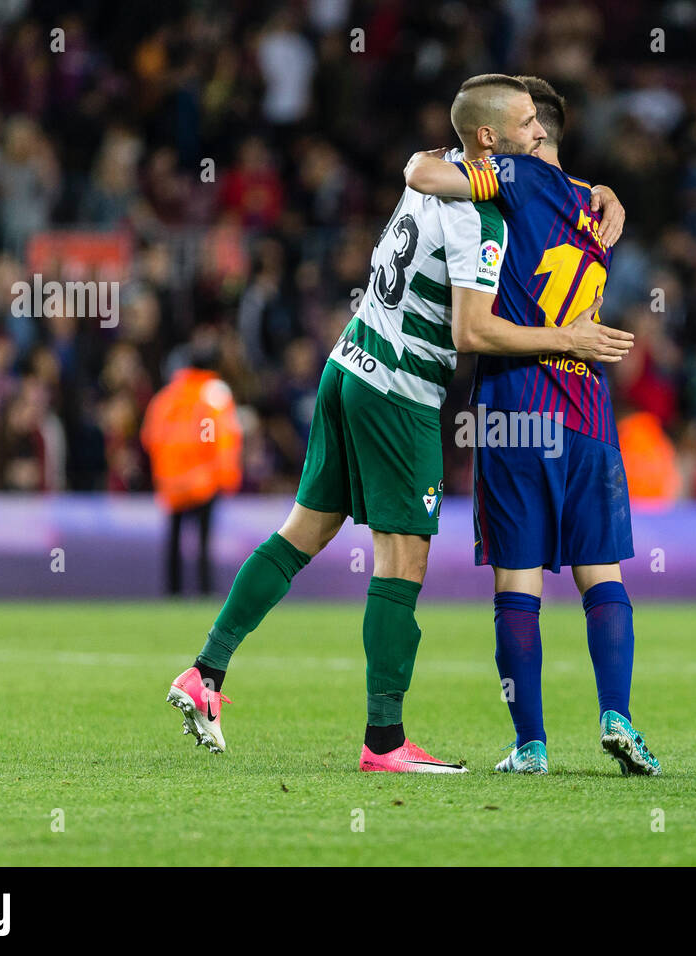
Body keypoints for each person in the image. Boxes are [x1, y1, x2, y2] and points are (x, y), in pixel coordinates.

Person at [166, 74, 633, 772]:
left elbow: (423, 167)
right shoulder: (484, 218)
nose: (540, 131)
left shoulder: (434, 173)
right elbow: (473, 331)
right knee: (403, 558)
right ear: (489, 138)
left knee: (305, 529)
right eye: (528, 122)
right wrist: (572, 338)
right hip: (400, 389)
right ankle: (384, 741)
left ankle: (205, 671)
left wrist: (602, 191)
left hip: (348, 361)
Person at [404, 76, 661, 775]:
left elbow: (425, 174)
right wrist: (607, 189)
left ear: (524, 133)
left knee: (518, 586)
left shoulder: (511, 176)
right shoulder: (593, 205)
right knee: (600, 574)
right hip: (591, 418)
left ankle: (531, 744)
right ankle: (618, 716)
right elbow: (577, 185)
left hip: (518, 411)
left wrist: (424, 161)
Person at [140, 339, 242, 595]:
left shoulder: (166, 396)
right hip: (203, 481)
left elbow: (149, 436)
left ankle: (172, 594)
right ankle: (204, 593)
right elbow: (224, 438)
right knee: (203, 543)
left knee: (173, 541)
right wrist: (227, 477)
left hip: (171, 481)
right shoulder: (215, 393)